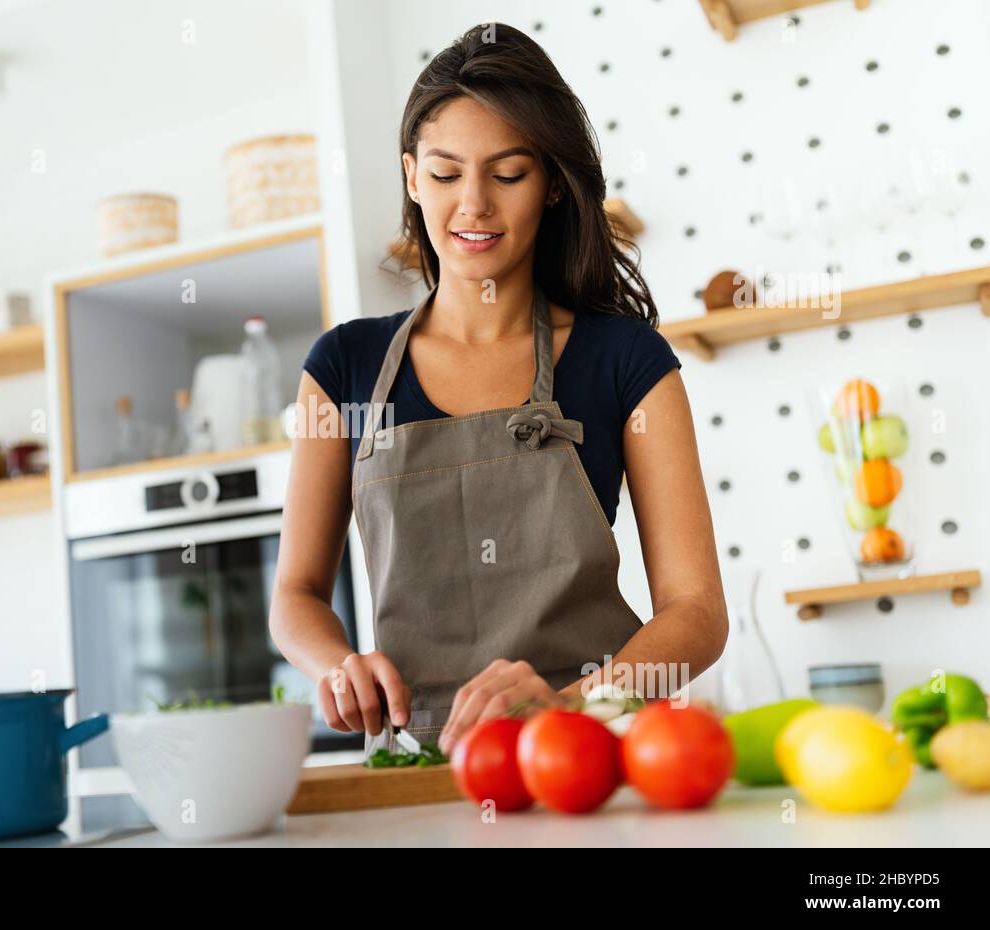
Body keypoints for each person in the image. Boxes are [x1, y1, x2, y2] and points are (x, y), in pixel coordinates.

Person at [269, 23, 726, 756]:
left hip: (586, 754)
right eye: (447, 175)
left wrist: (570, 706)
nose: (474, 205)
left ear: (549, 185)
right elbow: (294, 595)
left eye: (508, 174)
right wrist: (337, 664)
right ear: (413, 176)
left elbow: (697, 612)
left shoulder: (627, 360)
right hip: (414, 764)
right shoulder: (343, 367)